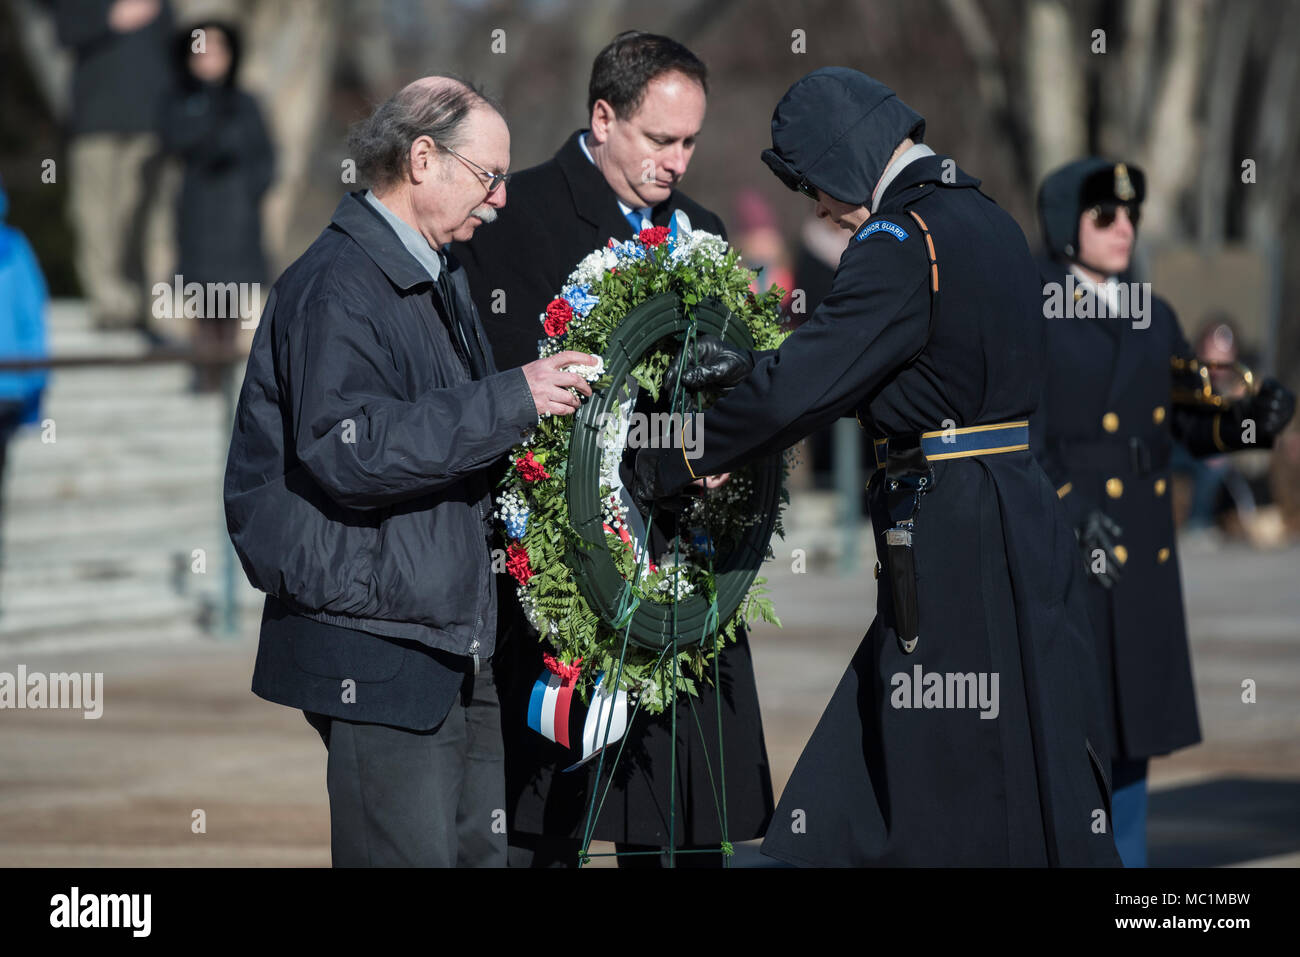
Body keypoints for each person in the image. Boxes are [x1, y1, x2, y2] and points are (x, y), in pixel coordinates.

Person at [634, 67, 1121, 866]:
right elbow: (909, 362)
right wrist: (765, 362)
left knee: (939, 780)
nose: (819, 210)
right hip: (1016, 513)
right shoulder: (985, 216)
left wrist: (680, 453)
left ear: (842, 159)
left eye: (817, 189)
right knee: (1019, 756)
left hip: (952, 531)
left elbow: (811, 381)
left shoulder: (901, 237)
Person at [224, 77, 597, 867]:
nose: (500, 199)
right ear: (422, 158)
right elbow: (351, 447)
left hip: (451, 635)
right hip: (376, 640)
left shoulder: (436, 272)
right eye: (489, 175)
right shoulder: (337, 283)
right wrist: (515, 396)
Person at [453, 31, 775, 868]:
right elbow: (512, 401)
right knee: (547, 833)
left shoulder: (700, 230)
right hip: (565, 582)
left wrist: (729, 446)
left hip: (687, 578)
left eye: (690, 141)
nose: (676, 161)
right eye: (658, 139)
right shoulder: (515, 221)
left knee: (688, 827)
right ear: (603, 117)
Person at [1032, 157, 1296, 866]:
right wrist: (1067, 506)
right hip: (1074, 539)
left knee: (1133, 730)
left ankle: (1132, 870)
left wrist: (1253, 425)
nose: (1124, 229)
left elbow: (1191, 424)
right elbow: (1021, 426)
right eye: (1105, 216)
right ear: (1066, 226)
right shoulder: (1034, 303)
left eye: (1131, 216)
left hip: (1143, 544)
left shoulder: (1152, 313)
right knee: (1074, 733)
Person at [161, 18, 274, 392]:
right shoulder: (180, 100)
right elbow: (176, 142)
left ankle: (224, 374)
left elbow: (266, 158)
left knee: (232, 297)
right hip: (199, 214)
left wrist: (250, 192)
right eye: (201, 49)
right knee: (202, 295)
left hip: (238, 216)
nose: (209, 58)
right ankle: (203, 371)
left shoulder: (247, 102)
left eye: (217, 49)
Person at [54, 0, 174, 334]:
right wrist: (110, 18)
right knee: (93, 215)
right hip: (93, 123)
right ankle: (107, 302)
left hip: (149, 122)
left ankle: (140, 300)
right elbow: (64, 33)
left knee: (141, 216)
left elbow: (177, 50)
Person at [0, 175, 50, 609]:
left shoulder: (16, 248)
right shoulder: (15, 247)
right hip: (10, 387)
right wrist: (35, 393)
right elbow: (34, 320)